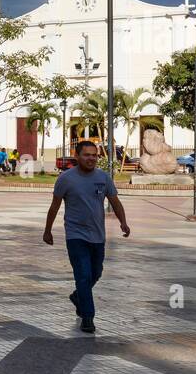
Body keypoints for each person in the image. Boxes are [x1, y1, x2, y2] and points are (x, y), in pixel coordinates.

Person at [42, 140, 131, 333]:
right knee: (83, 275)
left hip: (98, 235)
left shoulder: (103, 177)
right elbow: (54, 206)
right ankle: (88, 317)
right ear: (77, 156)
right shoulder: (66, 179)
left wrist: (123, 222)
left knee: (95, 273)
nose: (91, 158)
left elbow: (115, 202)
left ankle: (78, 296)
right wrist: (47, 230)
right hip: (75, 235)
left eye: (94, 155)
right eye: (86, 155)